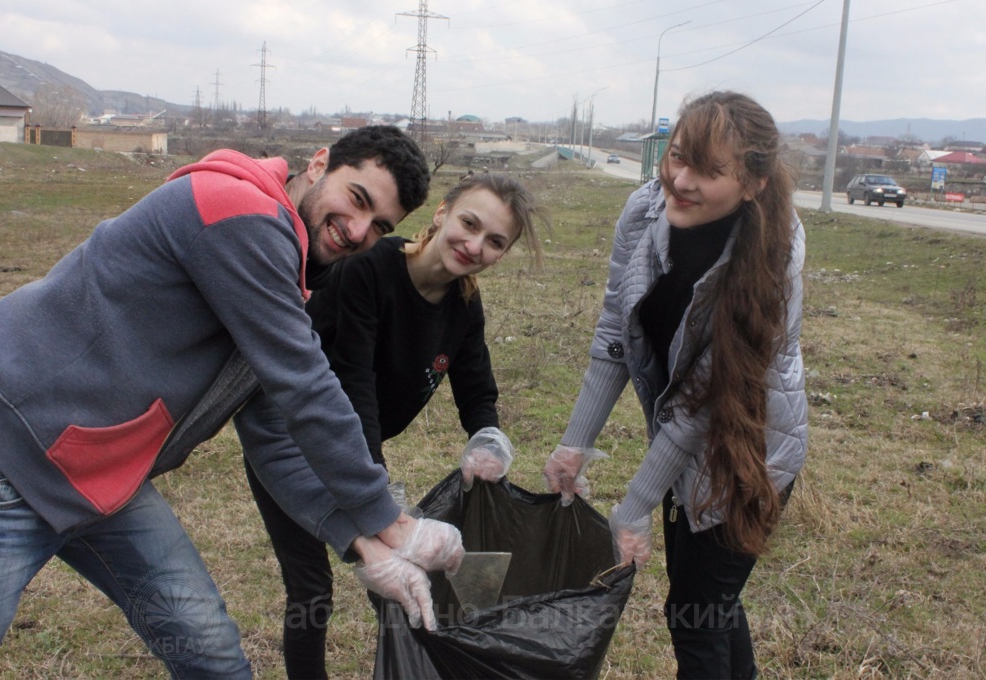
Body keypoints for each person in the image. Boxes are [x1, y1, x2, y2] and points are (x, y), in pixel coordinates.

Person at [0, 125, 467, 679]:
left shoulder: (287, 273)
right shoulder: (239, 214)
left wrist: (364, 544)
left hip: (101, 477)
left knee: (211, 655)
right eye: (358, 199)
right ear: (320, 163)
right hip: (1, 461)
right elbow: (305, 385)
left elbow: (274, 433)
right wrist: (393, 523)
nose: (358, 231)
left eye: (381, 227)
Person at [237, 172, 549, 679]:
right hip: (289, 440)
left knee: (400, 582)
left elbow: (475, 384)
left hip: (355, 452)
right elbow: (355, 382)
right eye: (469, 224)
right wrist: (377, 491)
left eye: (495, 242)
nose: (474, 246)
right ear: (443, 212)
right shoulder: (370, 268)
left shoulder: (464, 305)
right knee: (311, 586)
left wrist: (486, 437)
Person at [543, 91, 808, 679]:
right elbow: (618, 330)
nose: (681, 181)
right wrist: (574, 443)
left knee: (697, 617)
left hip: (750, 449)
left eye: (709, 171)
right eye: (677, 157)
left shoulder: (773, 254)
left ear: (754, 183)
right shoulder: (642, 212)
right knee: (709, 608)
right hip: (688, 443)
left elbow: (705, 402)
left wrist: (634, 507)